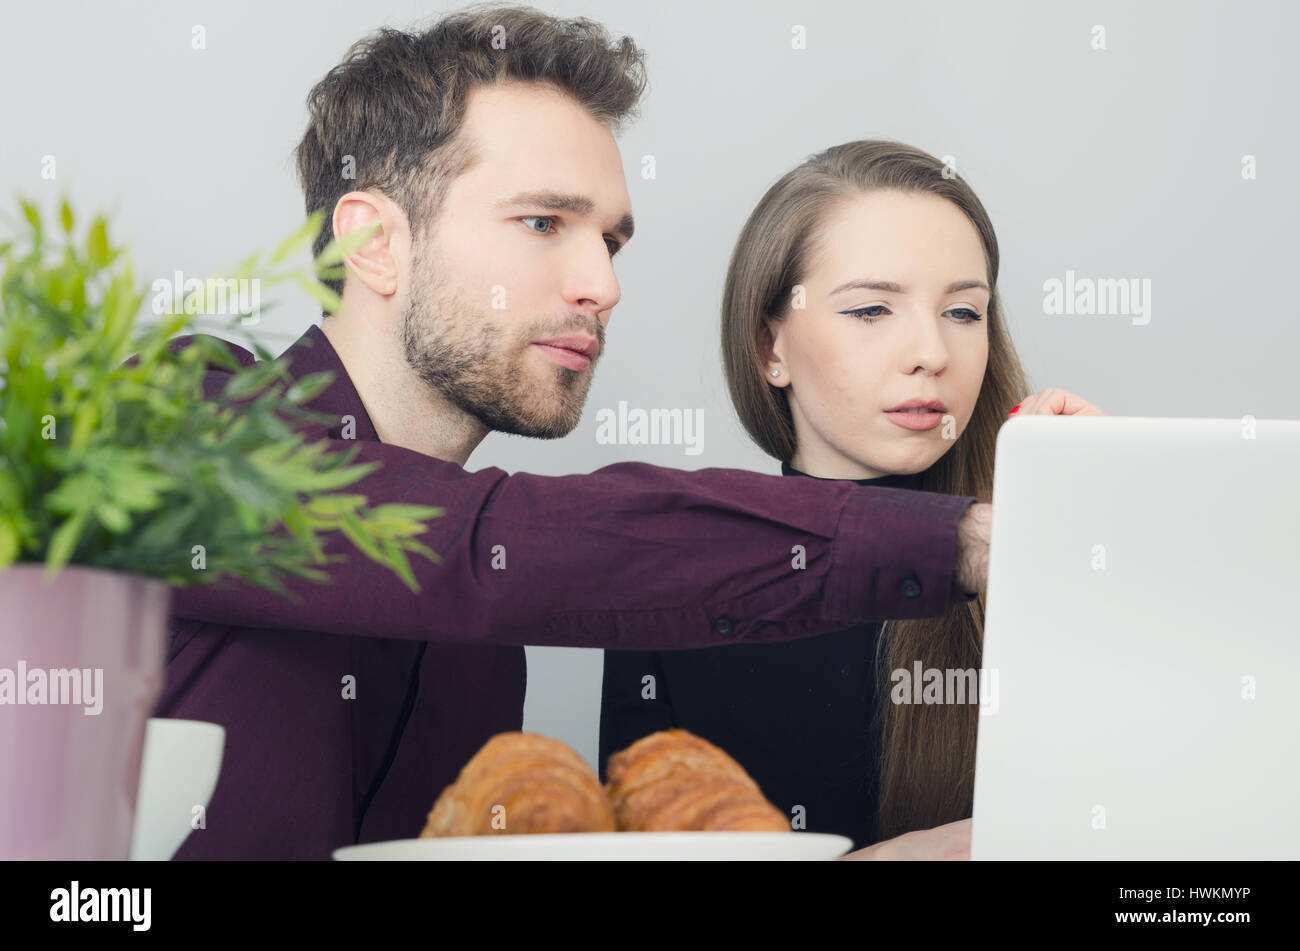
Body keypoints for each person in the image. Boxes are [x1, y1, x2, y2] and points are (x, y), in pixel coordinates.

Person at [156, 7, 991, 860]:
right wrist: (959, 539)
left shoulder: (483, 657)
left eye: (611, 241)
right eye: (544, 223)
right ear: (372, 243)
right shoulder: (176, 428)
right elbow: (479, 546)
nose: (602, 284)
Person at [599, 140, 1106, 860]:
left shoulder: (1045, 550)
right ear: (769, 344)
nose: (931, 351)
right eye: (871, 309)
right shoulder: (670, 578)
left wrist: (1121, 542)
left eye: (964, 312)